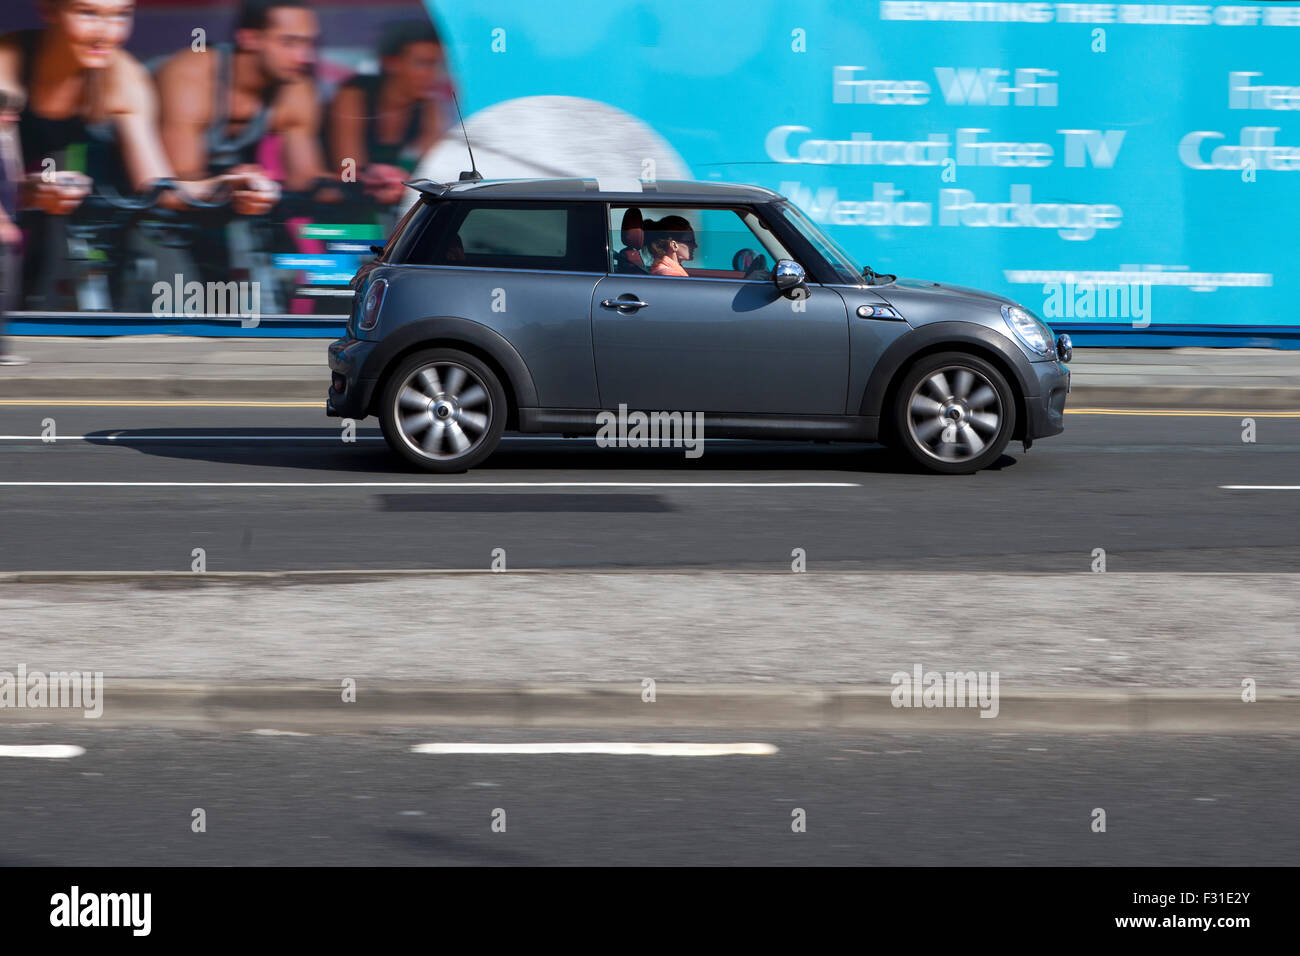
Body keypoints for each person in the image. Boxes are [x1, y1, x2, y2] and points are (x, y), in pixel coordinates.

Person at [154, 0, 333, 191]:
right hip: (136, 190)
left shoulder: (296, 87)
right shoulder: (190, 76)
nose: (305, 57)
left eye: (309, 43)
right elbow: (179, 181)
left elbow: (305, 180)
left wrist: (354, 183)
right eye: (289, 43)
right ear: (248, 38)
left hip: (217, 194)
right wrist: (235, 182)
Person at [327, 20, 446, 206]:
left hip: (390, 201)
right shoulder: (354, 95)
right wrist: (373, 179)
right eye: (423, 64)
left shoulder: (428, 107)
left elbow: (431, 169)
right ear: (391, 63)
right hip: (339, 203)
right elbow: (347, 171)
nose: (432, 74)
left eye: (435, 65)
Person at [0, 86, 26, 365]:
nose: (14, 119)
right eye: (8, 113)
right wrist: (4, 222)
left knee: (7, 290)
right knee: (4, 290)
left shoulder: (6, 141)